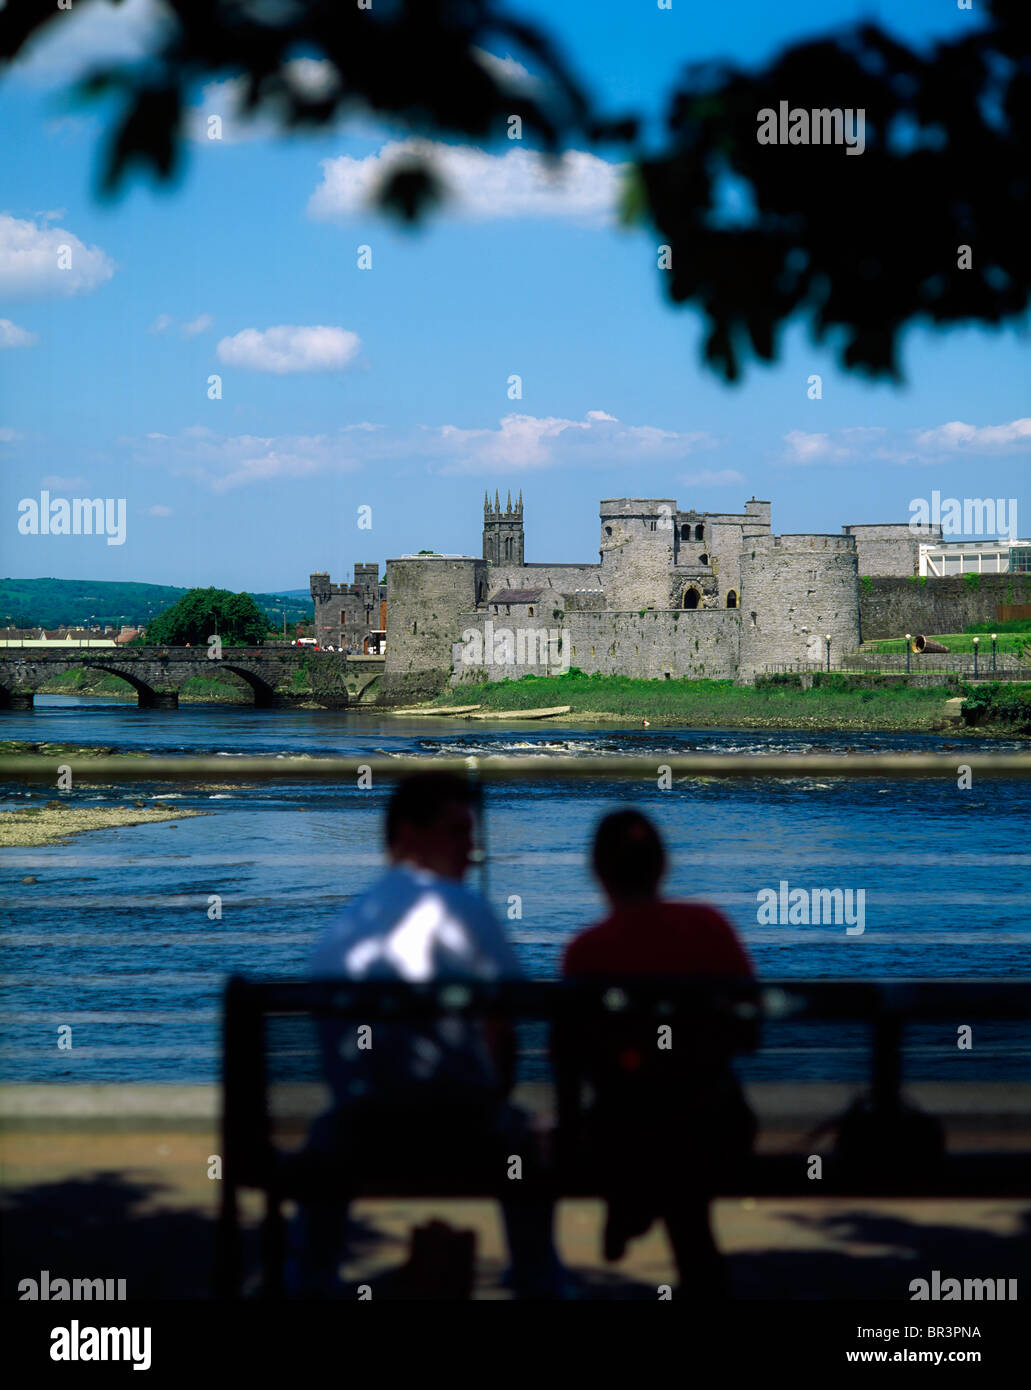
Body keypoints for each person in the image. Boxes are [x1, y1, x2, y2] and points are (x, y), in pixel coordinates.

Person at [290, 771, 561, 1298]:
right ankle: (538, 1277)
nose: (473, 848)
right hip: (466, 1131)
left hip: (359, 1134)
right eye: (458, 831)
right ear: (410, 834)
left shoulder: (342, 927)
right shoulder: (465, 909)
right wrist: (496, 1096)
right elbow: (508, 1019)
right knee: (525, 1142)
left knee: (325, 1136)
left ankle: (311, 1279)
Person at [559, 809, 756, 1298]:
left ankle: (631, 1202)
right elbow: (749, 1034)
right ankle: (641, 1208)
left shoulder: (586, 950)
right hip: (714, 1126)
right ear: (664, 865)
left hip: (622, 1132)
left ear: (597, 872)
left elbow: (569, 1056)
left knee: (651, 1138)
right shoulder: (710, 926)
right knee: (683, 1183)